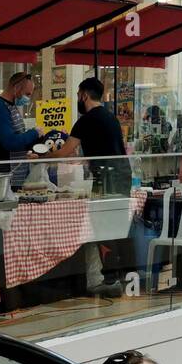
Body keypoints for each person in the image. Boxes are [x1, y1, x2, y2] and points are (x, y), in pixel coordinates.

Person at [50, 77, 131, 296]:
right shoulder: (111, 118)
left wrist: (38, 156)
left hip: (106, 178)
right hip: (122, 175)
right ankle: (122, 276)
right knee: (116, 225)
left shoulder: (85, 121)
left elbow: (63, 152)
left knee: (102, 226)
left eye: (78, 94)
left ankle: (111, 279)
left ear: (84, 95)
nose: (77, 98)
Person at [0, 71, 43, 188]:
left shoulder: (11, 106)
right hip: (3, 176)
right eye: (27, 94)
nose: (28, 98)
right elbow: (10, 142)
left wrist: (28, 150)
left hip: (15, 175)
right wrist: (34, 133)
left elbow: (17, 136)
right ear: (16, 87)